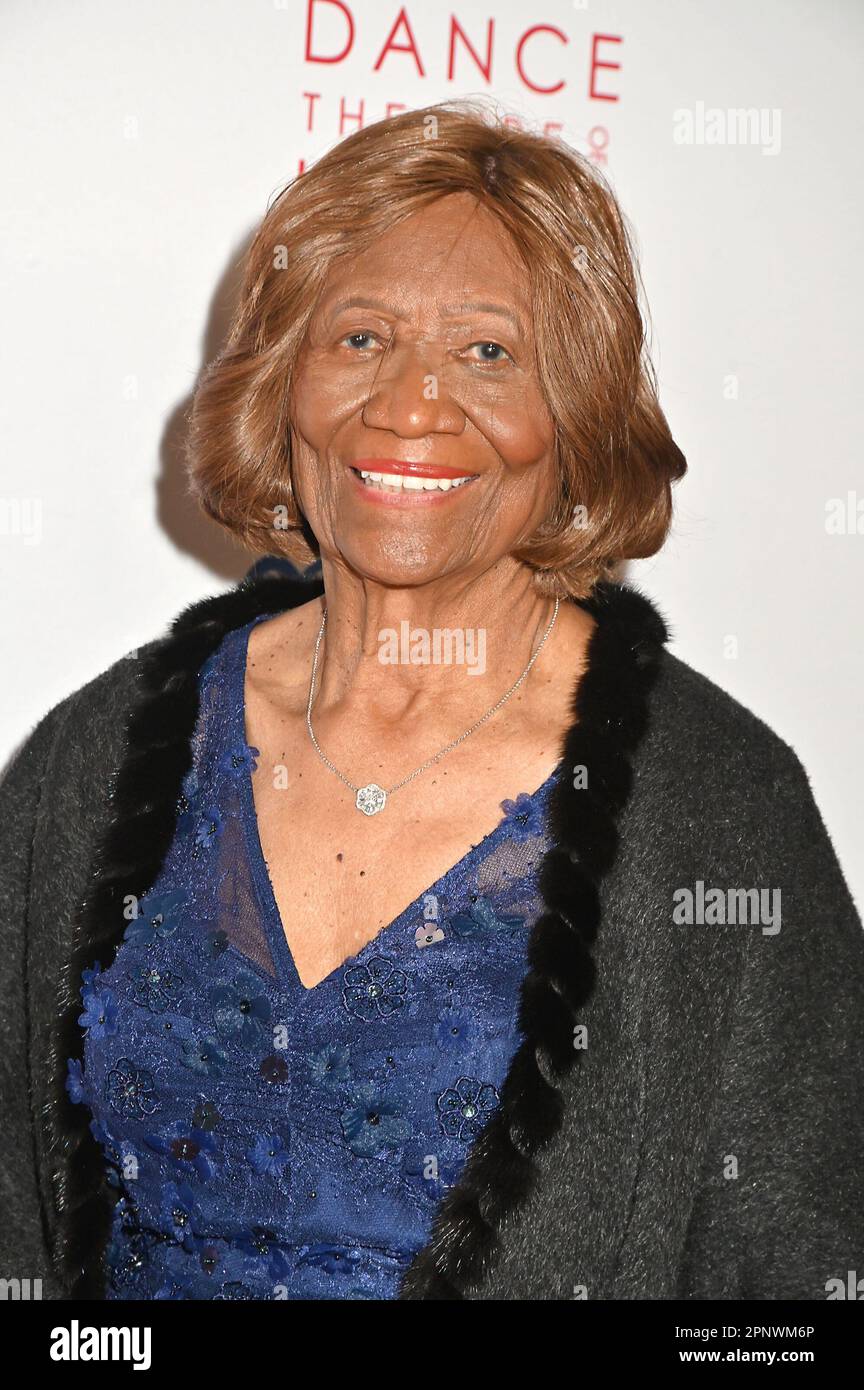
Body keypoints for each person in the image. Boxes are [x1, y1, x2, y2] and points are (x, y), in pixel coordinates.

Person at [1, 100, 862, 1302]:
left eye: (488, 352)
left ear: (576, 416)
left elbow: (798, 1288)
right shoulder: (94, 763)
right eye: (359, 339)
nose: (411, 405)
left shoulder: (724, 811)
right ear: (281, 384)